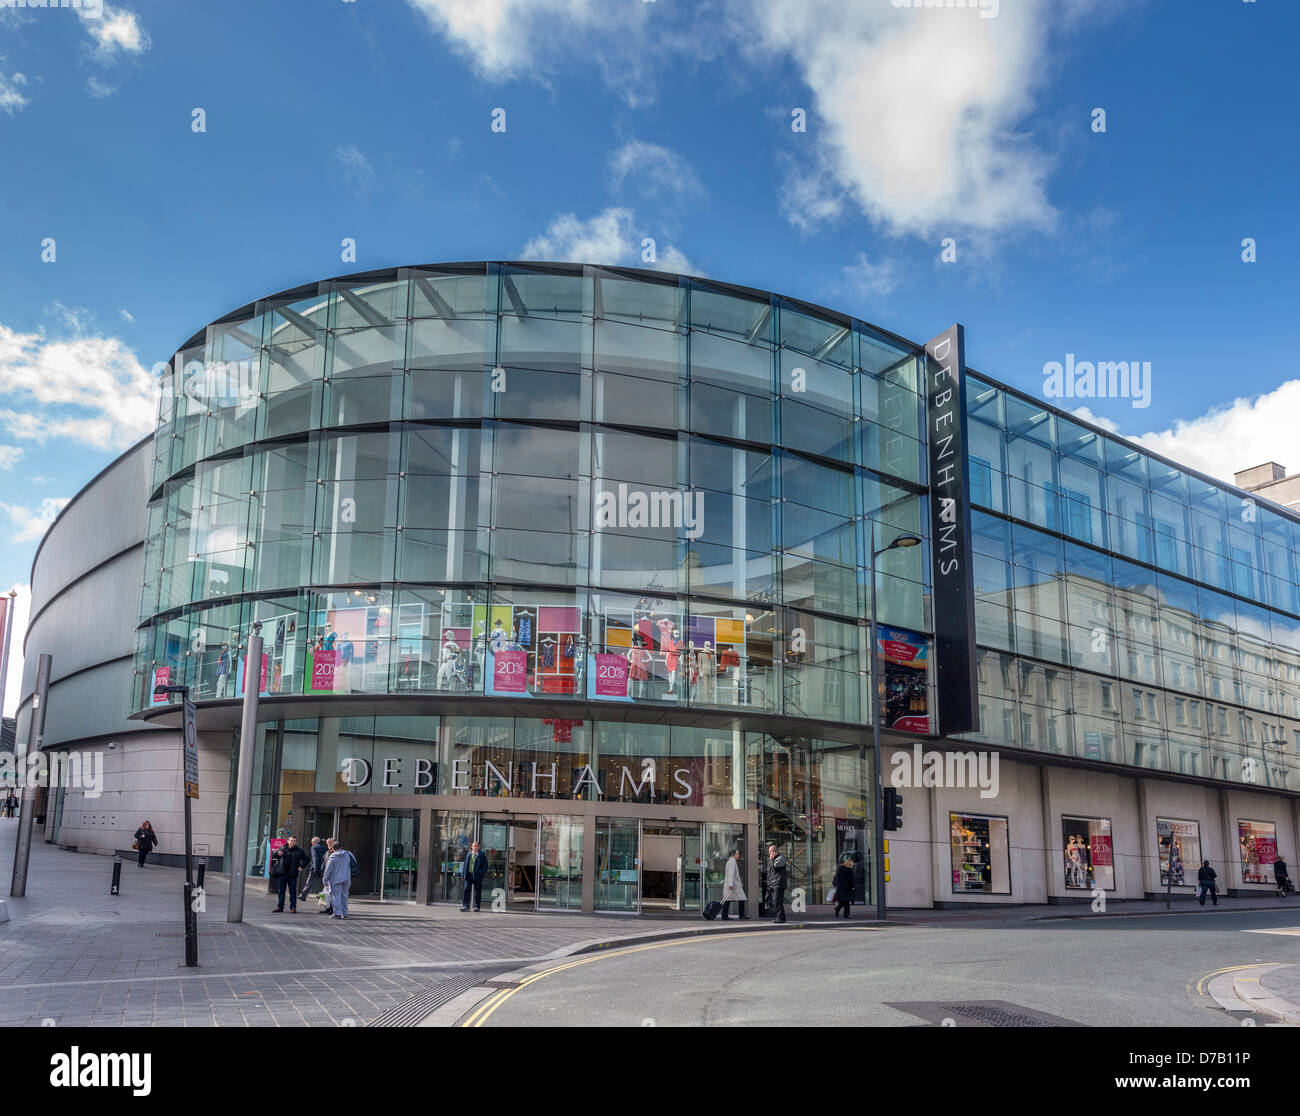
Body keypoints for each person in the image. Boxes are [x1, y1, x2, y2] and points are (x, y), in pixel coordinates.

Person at [271, 835, 310, 913]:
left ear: (296, 842)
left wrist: (301, 866)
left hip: (292, 874)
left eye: (294, 841)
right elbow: (274, 855)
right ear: (288, 841)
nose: (293, 842)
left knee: (292, 891)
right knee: (281, 891)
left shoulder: (299, 851)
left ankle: (293, 907)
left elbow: (307, 859)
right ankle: (280, 907)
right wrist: (277, 852)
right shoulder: (283, 848)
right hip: (282, 873)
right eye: (291, 840)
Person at [322, 840, 354, 920]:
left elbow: (327, 871)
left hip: (336, 880)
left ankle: (337, 914)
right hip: (346, 879)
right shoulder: (347, 855)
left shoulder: (332, 858)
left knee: (335, 897)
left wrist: (325, 881)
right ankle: (345, 912)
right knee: (344, 896)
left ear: (332, 849)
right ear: (341, 847)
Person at [460, 840, 488, 912]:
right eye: (474, 846)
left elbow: (485, 866)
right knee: (466, 890)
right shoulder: (468, 854)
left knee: (477, 892)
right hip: (468, 875)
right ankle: (466, 906)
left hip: (477, 876)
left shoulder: (482, 855)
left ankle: (476, 906)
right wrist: (463, 874)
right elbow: (465, 865)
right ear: (472, 847)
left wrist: (481, 873)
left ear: (479, 847)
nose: (475, 847)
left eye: (476, 846)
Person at [299, 836, 327, 904]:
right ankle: (322, 900)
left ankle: (303, 896)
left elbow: (315, 858)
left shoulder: (314, 847)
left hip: (315, 868)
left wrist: (316, 868)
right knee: (323, 885)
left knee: (309, 882)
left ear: (313, 842)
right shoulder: (325, 848)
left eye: (312, 842)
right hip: (324, 868)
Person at [721, 848, 747, 920]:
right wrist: (730, 885)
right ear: (733, 854)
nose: (738, 855)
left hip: (732, 884)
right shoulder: (732, 862)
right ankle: (741, 915)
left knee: (727, 899)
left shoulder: (731, 861)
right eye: (737, 854)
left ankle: (725, 916)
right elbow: (731, 874)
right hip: (733, 884)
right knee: (741, 897)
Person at [766, 844, 788, 924]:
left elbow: (776, 866)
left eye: (770, 852)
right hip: (774, 884)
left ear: (775, 852)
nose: (769, 853)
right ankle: (781, 917)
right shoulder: (774, 859)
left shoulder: (780, 858)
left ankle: (780, 918)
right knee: (776, 901)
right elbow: (770, 873)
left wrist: (772, 860)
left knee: (777, 901)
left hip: (778, 884)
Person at [317, 838, 338, 914]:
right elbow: (324, 864)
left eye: (331, 842)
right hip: (326, 876)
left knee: (331, 894)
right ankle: (326, 908)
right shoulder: (327, 852)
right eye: (328, 842)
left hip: (333, 876)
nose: (329, 844)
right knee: (324, 894)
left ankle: (332, 909)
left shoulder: (336, 853)